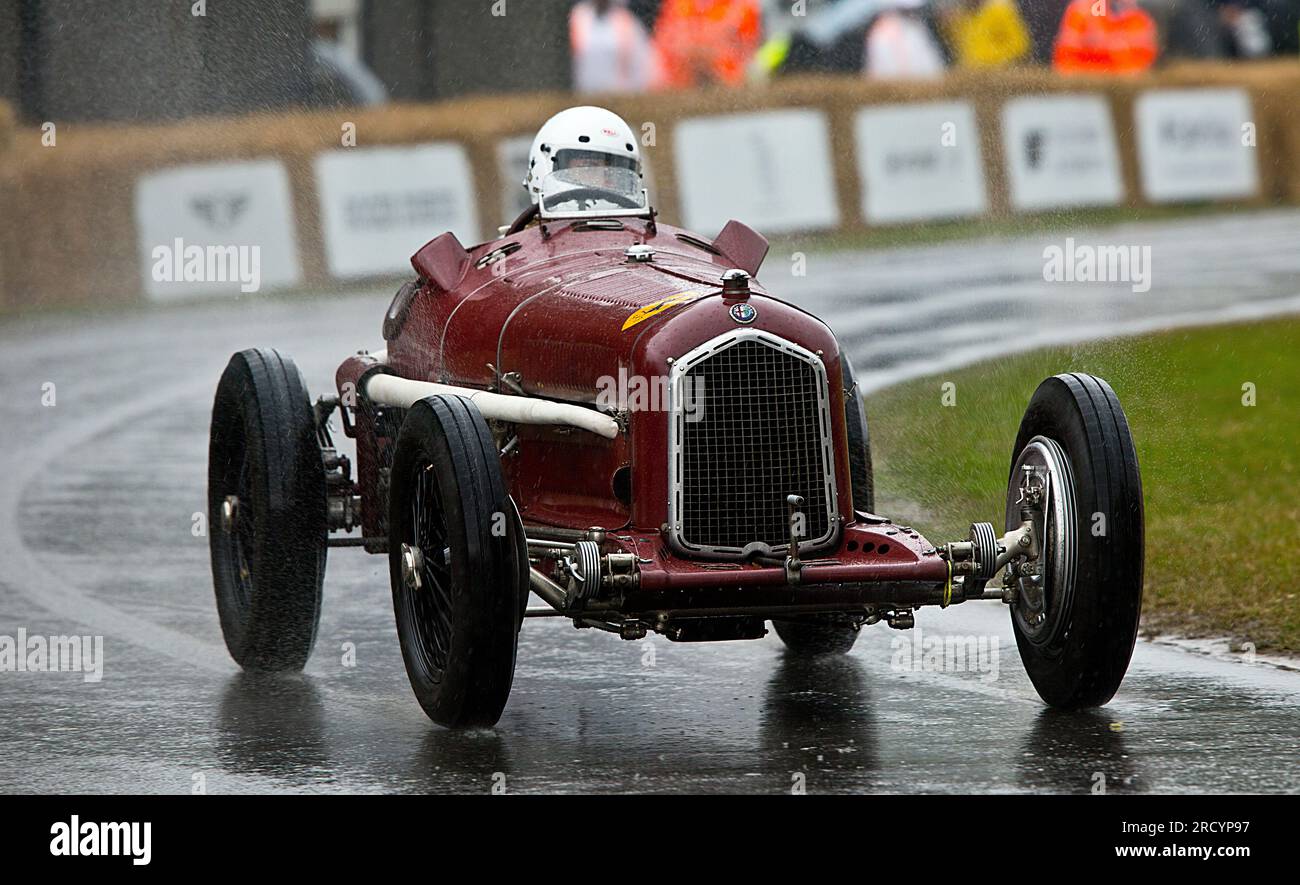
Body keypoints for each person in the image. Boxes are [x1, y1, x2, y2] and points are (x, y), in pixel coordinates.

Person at [516, 106, 648, 227]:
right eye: (588, 167)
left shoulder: (646, 241)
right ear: (542, 167)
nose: (606, 182)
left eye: (618, 174)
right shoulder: (518, 249)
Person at [652, 0, 764, 88]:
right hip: (681, 91)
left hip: (730, 92)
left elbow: (749, 57)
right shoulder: (678, 4)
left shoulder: (744, 6)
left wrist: (715, 63)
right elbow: (663, 49)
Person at [569, 0, 656, 94]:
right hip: (584, 94)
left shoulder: (627, 21)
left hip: (619, 96)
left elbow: (642, 66)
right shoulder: (579, 16)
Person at [1053, 0, 1159, 74]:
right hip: (1084, 94)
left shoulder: (1137, 15)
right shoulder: (1081, 11)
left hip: (1120, 91)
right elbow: (1065, 64)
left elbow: (1141, 68)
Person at [864, 0, 948, 79]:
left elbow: (934, 73)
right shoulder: (882, 35)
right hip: (896, 88)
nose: (913, 14)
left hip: (921, 87)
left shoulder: (916, 29)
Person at [940, 0, 1032, 68]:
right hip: (973, 79)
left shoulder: (999, 11)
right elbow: (961, 49)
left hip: (999, 76)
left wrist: (994, 63)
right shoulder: (963, 18)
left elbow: (1020, 45)